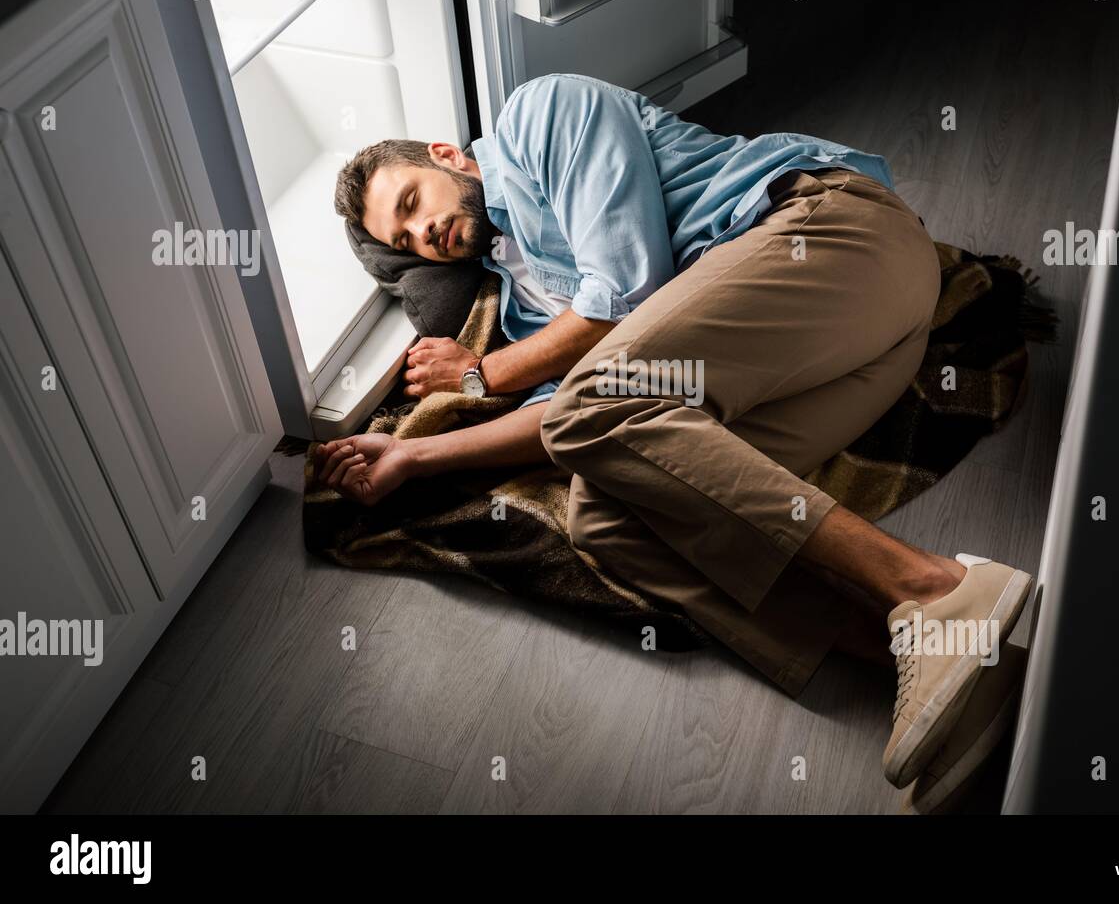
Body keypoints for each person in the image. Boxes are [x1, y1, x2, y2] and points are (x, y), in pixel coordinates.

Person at [323, 73, 1033, 794]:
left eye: (413, 204)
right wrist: (412, 455)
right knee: (604, 517)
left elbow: (625, 295)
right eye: (407, 239)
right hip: (834, 360)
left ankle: (936, 586)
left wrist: (482, 375)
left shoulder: (537, 118)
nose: (425, 234)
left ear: (447, 155)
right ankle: (948, 652)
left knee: (592, 402)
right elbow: (580, 429)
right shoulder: (523, 311)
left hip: (837, 239)